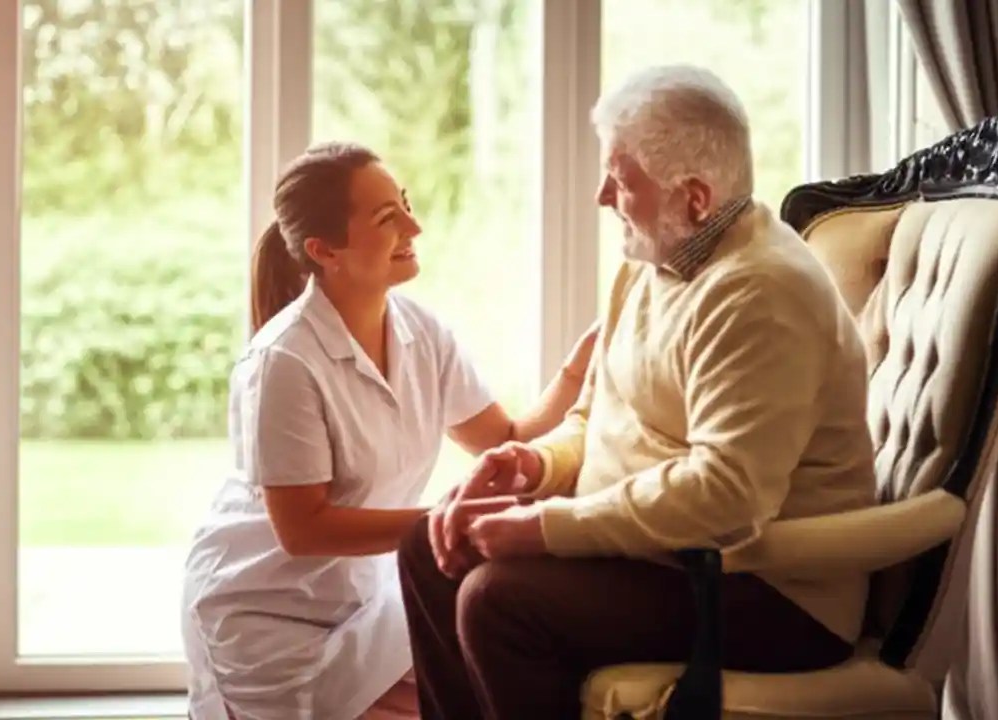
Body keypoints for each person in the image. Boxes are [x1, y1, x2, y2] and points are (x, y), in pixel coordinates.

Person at [397, 64, 878, 719]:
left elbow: (728, 497)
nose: (601, 196)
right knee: (429, 546)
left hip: (762, 587)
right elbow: (594, 417)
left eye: (620, 179)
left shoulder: (762, 294)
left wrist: (545, 528)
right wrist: (534, 466)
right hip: (666, 557)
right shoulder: (652, 262)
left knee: (498, 601)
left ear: (696, 198)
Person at [180, 141, 600, 720]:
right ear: (324, 250)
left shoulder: (422, 332)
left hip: (361, 602)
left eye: (404, 204)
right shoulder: (282, 362)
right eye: (387, 217)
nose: (415, 225)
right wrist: (451, 521)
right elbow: (304, 529)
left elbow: (506, 437)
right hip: (267, 614)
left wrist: (581, 369)